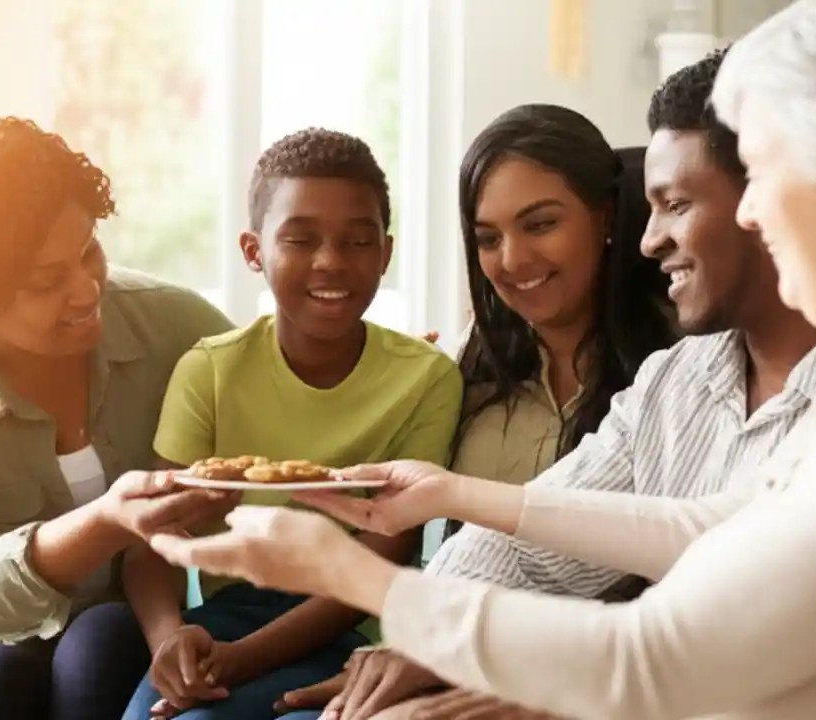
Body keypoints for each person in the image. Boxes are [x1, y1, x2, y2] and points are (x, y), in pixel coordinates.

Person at [150, 1, 816, 717]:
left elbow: (655, 662)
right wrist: (453, 494)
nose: (755, 216)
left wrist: (346, 570)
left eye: (760, 174)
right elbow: (711, 525)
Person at [288, 46, 816, 720]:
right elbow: (531, 543)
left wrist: (551, 693)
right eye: (488, 236)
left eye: (674, 205)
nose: (651, 241)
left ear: (769, 199)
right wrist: (435, 638)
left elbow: (786, 635)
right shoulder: (675, 381)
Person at [270, 103, 678, 720]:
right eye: (488, 238)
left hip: (586, 675)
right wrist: (407, 650)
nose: (511, 261)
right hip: (446, 647)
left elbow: (676, 588)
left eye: (540, 225)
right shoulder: (468, 361)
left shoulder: (679, 371)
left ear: (605, 217)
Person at [0, 118, 238, 720]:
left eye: (88, 251)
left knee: (101, 649)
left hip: (118, 602)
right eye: (46, 281)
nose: (86, 290)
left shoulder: (175, 326)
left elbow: (278, 385)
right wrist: (107, 521)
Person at [119, 128, 463, 720]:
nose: (330, 261)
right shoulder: (210, 371)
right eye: (300, 239)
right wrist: (169, 640)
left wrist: (240, 661)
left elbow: (384, 556)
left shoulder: (426, 380)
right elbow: (149, 543)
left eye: (357, 240)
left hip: (351, 633)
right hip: (228, 620)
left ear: (385, 251)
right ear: (254, 252)